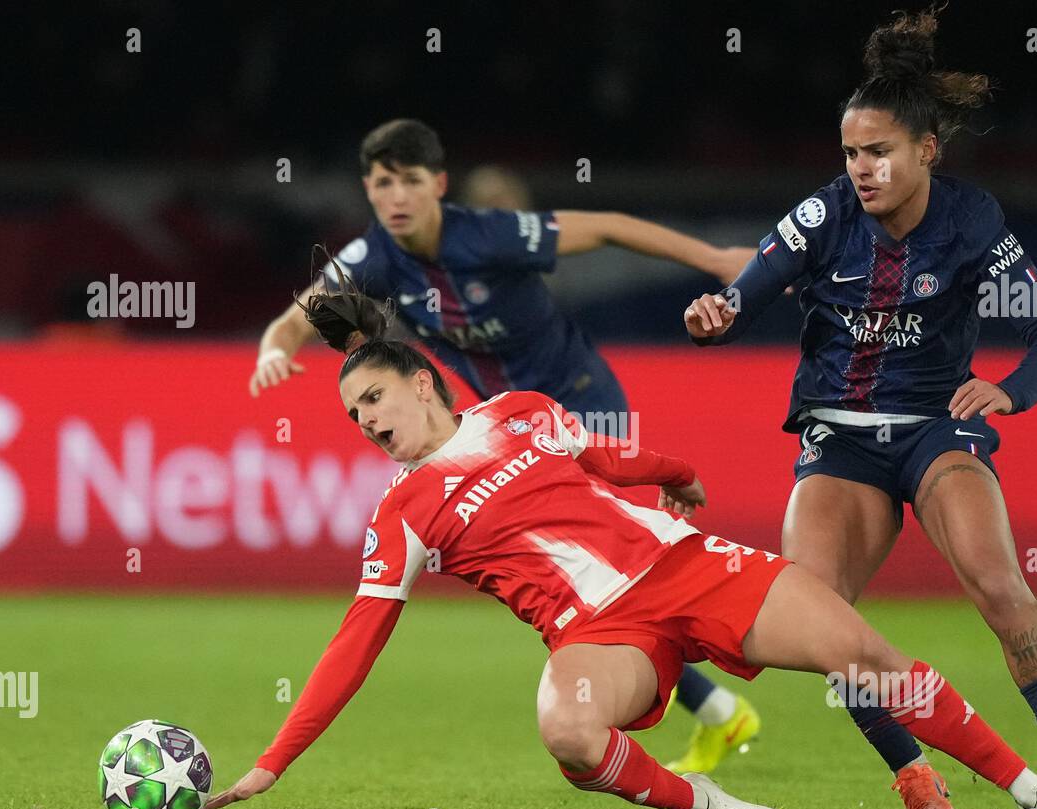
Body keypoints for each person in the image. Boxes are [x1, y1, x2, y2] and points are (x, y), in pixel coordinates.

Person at [204, 274, 1037, 809]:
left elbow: (604, 459)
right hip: (598, 634)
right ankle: (709, 807)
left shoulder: (520, 411)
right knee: (566, 732)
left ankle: (1031, 789)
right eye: (352, 418)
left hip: (688, 564)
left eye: (373, 401)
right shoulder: (400, 513)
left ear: (419, 383)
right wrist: (271, 765)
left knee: (867, 656)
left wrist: (675, 473)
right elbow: (355, 642)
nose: (366, 425)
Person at [682, 5, 1037, 809]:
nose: (862, 169)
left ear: (926, 149)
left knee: (997, 582)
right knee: (824, 622)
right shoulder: (822, 218)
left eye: (879, 151)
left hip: (934, 430)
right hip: (839, 437)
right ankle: (914, 773)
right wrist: (719, 316)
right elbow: (746, 292)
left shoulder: (972, 220)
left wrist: (1012, 390)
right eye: (851, 152)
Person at [250, 118, 764, 774]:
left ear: (437, 184)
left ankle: (747, 650)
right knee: (577, 588)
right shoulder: (375, 255)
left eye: (410, 181)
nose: (397, 197)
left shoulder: (489, 234)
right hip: (506, 426)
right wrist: (274, 346)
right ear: (369, 190)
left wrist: (718, 260)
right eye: (383, 184)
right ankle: (720, 709)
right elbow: (299, 316)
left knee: (609, 576)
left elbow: (607, 224)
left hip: (583, 403)